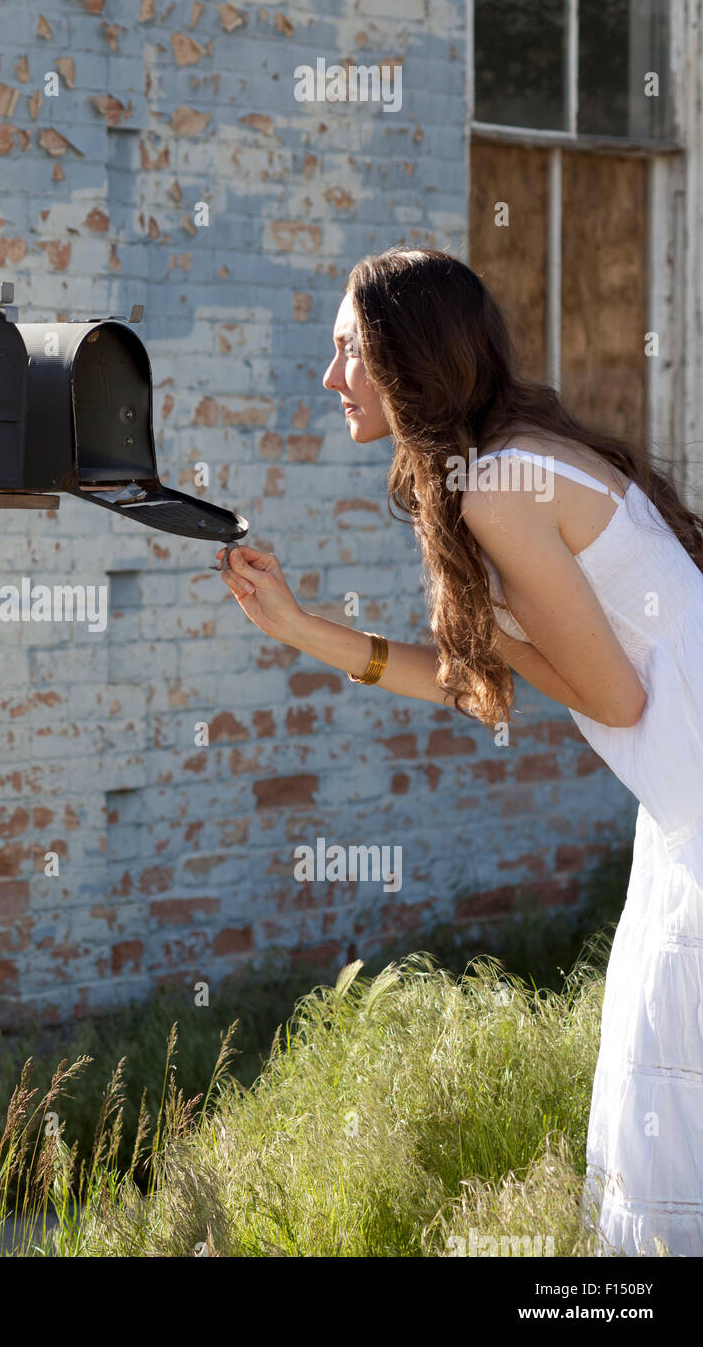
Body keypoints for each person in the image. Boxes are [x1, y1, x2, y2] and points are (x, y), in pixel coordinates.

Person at [219, 246, 703, 1257]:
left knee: (664, 1127)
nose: (328, 376)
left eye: (347, 349)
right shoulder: (514, 453)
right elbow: (492, 676)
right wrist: (306, 631)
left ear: (405, 356)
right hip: (681, 809)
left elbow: (611, 694)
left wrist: (494, 642)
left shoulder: (495, 486)